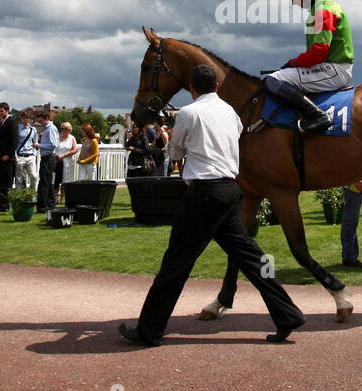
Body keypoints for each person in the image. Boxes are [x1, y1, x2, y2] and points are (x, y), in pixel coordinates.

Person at [120, 65, 305, 346]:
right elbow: (238, 133)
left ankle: (149, 330)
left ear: (192, 89)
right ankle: (287, 314)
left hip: (202, 194)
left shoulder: (189, 113)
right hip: (229, 191)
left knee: (176, 262)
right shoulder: (230, 112)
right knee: (253, 260)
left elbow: (175, 151)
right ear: (217, 87)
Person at [263, 0, 353, 134]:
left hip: (334, 69)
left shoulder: (322, 11)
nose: (292, 2)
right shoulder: (320, 8)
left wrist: (293, 63)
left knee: (272, 80)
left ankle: (318, 116)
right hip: (332, 67)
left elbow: (318, 52)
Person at [0, 103, 18, 212]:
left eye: (1, 111)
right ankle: (2, 205)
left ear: (7, 111)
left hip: (7, 159)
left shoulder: (11, 122)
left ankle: (5, 206)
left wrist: (8, 155)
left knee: (6, 184)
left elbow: (14, 140)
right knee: (0, 183)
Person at [36, 117, 62, 214]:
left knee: (44, 181)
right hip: (47, 157)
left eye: (41, 120)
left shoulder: (51, 128)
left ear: (46, 118)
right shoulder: (48, 129)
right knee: (47, 181)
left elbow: (53, 144)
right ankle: (50, 203)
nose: (40, 122)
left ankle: (43, 205)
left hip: (49, 157)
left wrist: (39, 145)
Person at [53, 122, 78, 204]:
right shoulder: (58, 137)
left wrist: (65, 154)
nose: (64, 130)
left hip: (67, 161)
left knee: (65, 181)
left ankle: (62, 198)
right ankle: (55, 198)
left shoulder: (72, 138)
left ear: (69, 130)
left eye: (66, 129)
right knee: (56, 180)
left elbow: (74, 150)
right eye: (62, 129)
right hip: (57, 160)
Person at [14, 110, 39, 190]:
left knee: (34, 176)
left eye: (28, 118)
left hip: (30, 156)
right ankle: (18, 197)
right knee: (19, 179)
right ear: (21, 119)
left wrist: (34, 154)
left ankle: (32, 195)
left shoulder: (33, 129)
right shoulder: (18, 128)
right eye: (24, 118)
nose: (26, 120)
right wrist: (15, 155)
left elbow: (35, 142)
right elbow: (14, 142)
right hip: (20, 155)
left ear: (30, 119)